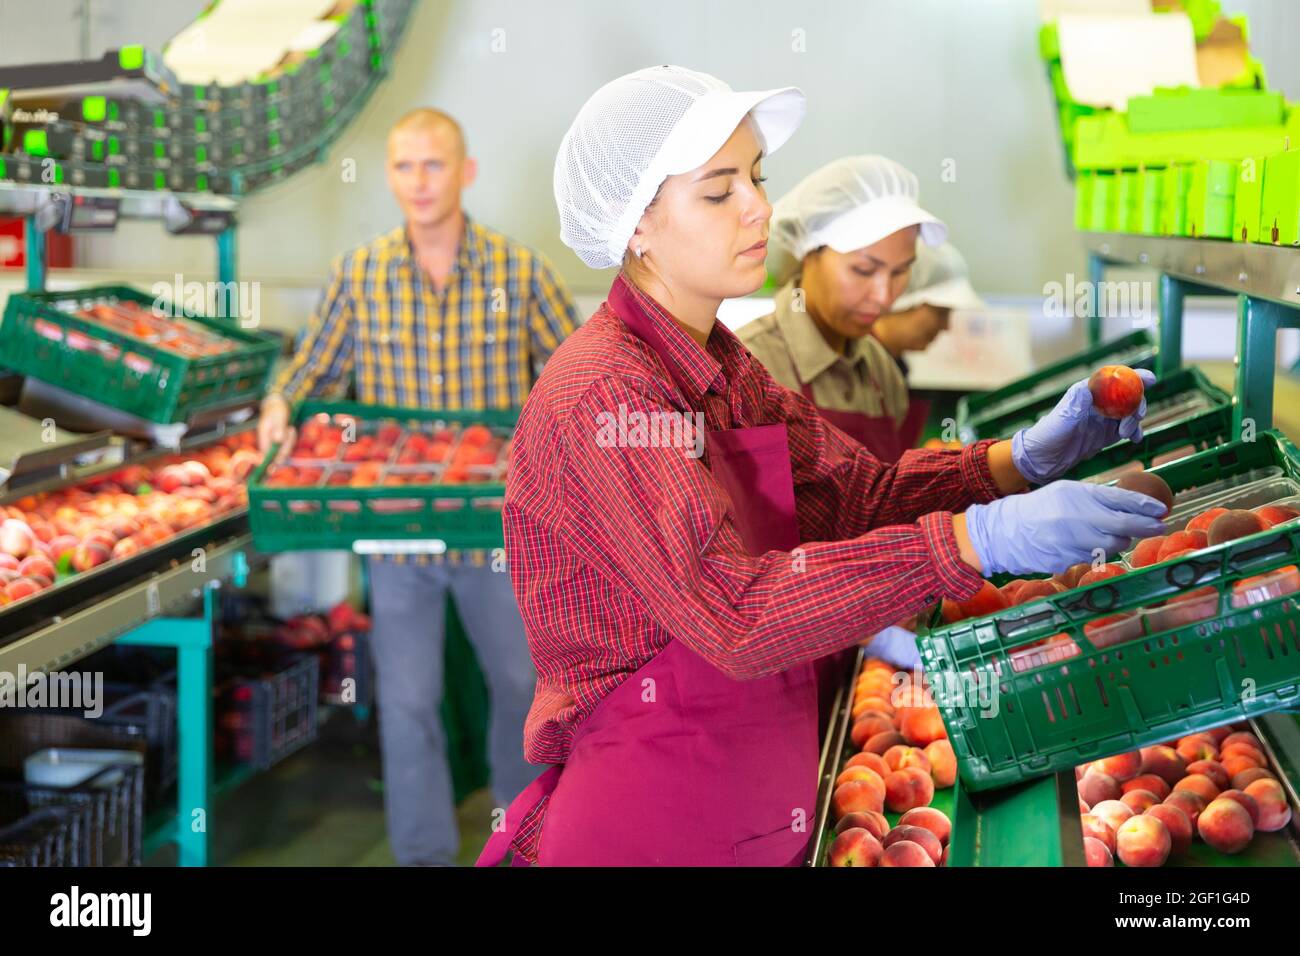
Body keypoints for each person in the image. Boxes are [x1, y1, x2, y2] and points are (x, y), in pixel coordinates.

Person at [478, 65, 1164, 868]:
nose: (760, 208)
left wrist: (1013, 464)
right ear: (637, 224)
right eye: (718, 190)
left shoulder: (720, 366)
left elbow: (851, 493)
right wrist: (978, 542)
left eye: (758, 179)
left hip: (743, 785)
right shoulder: (607, 392)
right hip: (652, 814)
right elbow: (732, 614)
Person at [257, 107, 580, 866]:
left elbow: (571, 375)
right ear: (390, 175)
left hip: (496, 533)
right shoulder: (360, 275)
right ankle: (425, 857)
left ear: (464, 172)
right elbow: (312, 376)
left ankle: (521, 847)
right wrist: (280, 403)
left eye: (434, 165)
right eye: (404, 166)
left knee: (520, 695)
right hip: (395, 534)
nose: (419, 181)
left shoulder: (518, 272)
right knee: (406, 705)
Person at [740, 155, 952, 464]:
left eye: (900, 272)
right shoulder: (752, 366)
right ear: (809, 253)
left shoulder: (881, 371)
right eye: (864, 270)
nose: (883, 297)